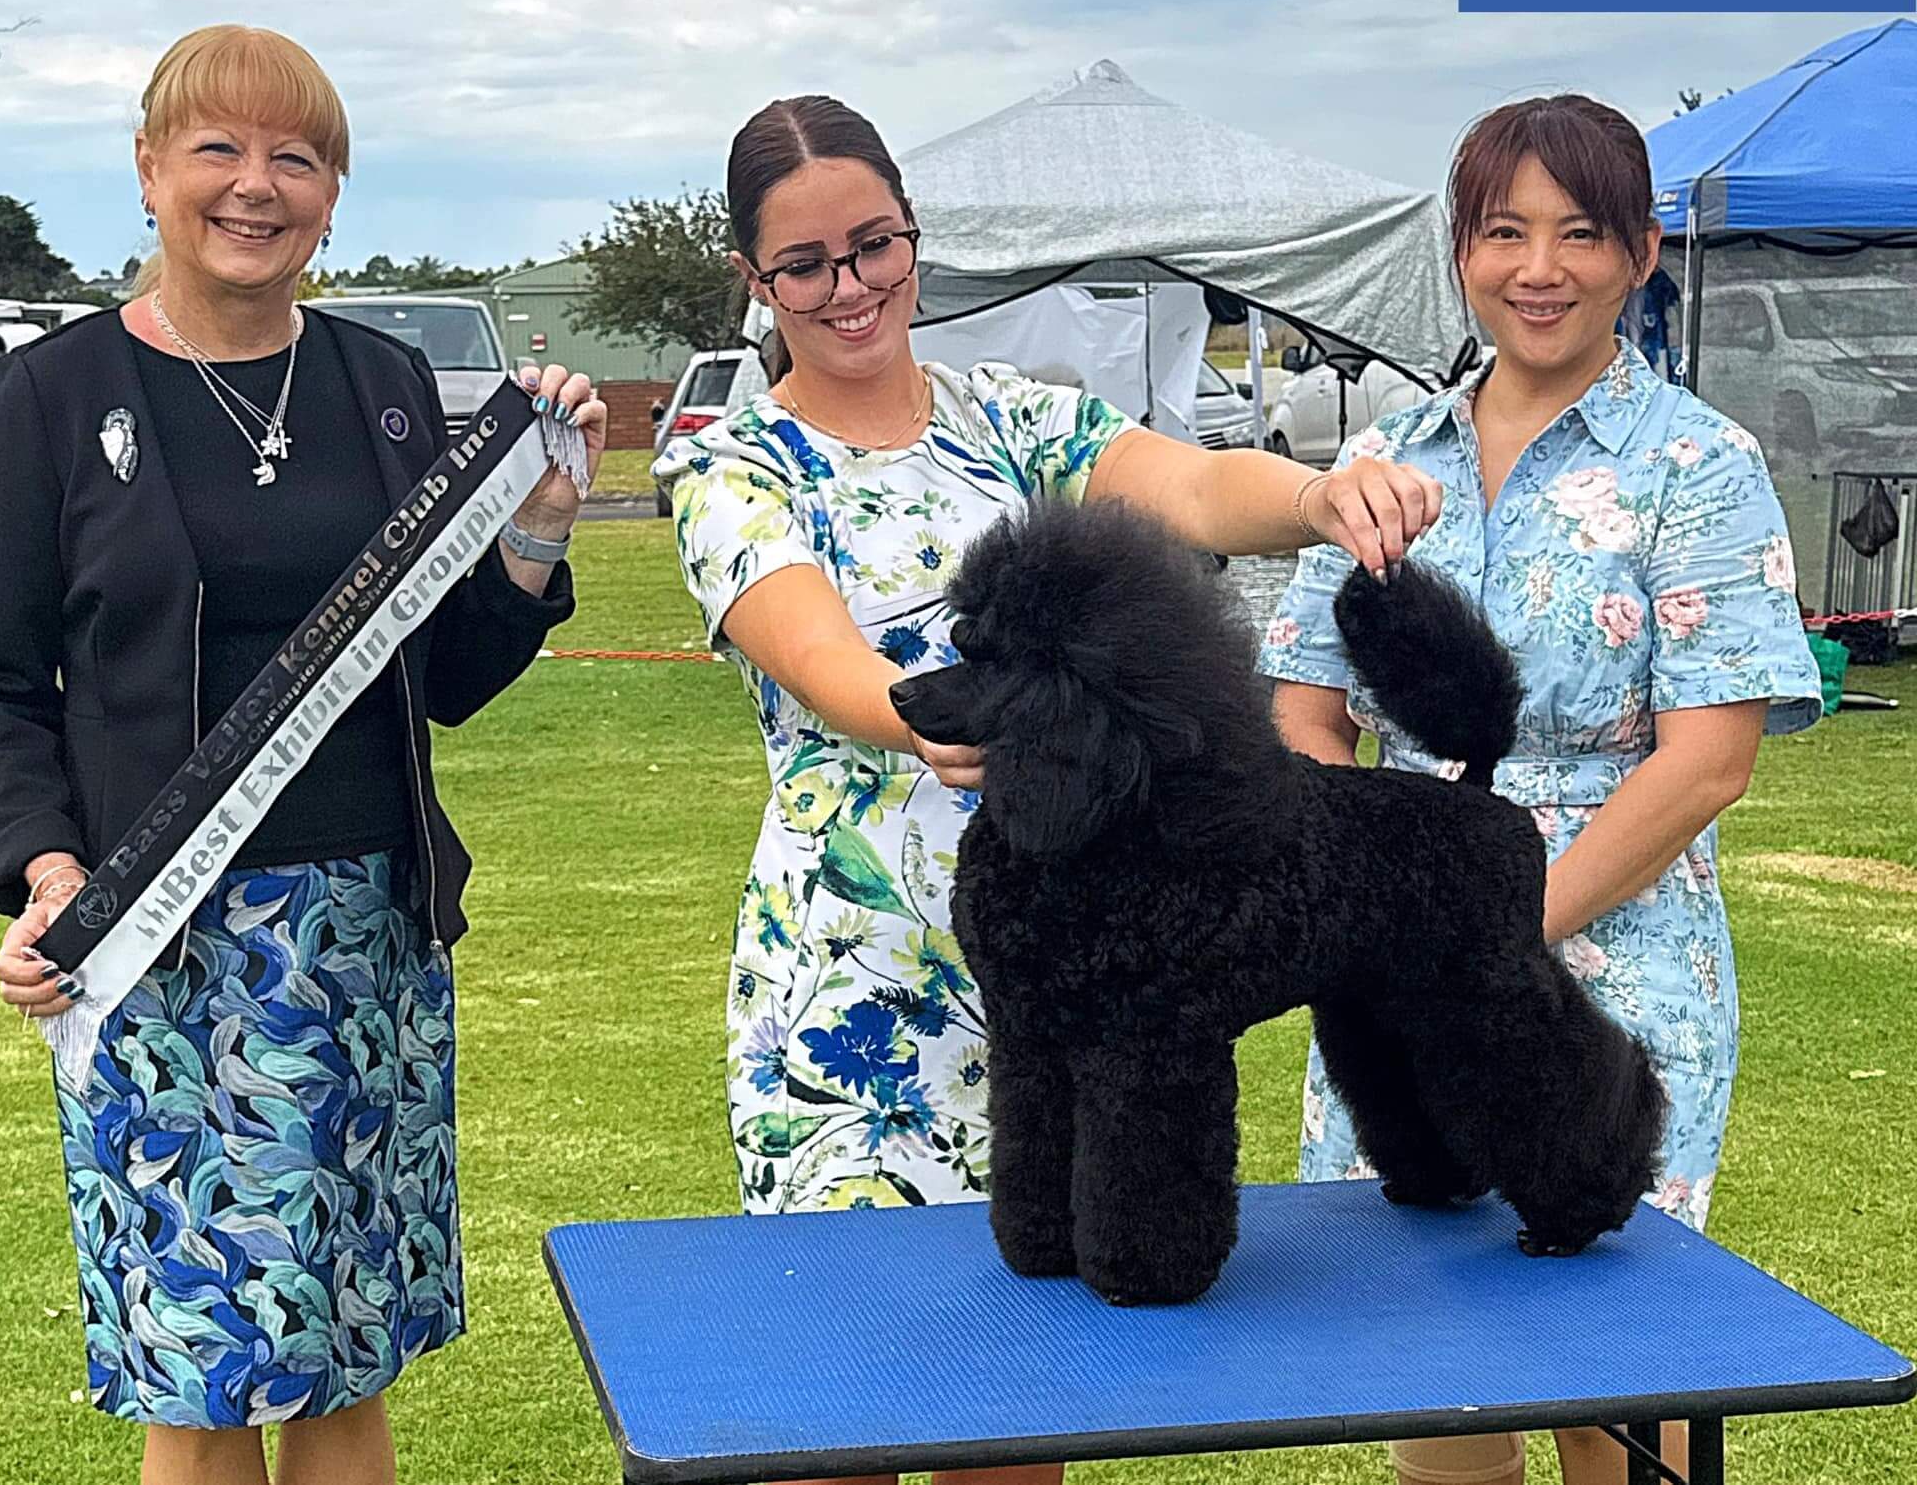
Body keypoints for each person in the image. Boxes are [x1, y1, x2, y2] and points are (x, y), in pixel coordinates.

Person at [654, 93, 1445, 1485]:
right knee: (833, 1435)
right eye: (806, 264)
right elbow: (819, 649)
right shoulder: (727, 464)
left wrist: (1316, 497)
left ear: (912, 234)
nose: (850, 288)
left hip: (1071, 982)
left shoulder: (1013, 421)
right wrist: (930, 721)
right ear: (755, 279)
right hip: (855, 995)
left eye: (875, 244)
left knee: (1021, 1431)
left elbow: (1194, 489)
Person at [0, 24, 607, 1485]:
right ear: (148, 169)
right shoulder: (55, 397)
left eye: (295, 156)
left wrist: (539, 533)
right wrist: (49, 872)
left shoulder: (379, 383)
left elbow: (444, 682)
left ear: (334, 191)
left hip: (364, 941)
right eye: (218, 149)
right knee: (197, 1378)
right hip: (157, 951)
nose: (256, 185)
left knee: (342, 1370)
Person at [1258, 94, 1820, 1485]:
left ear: (1639, 251)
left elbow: (1709, 758)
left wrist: (1495, 934)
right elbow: (1303, 710)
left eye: (1580, 232)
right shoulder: (1385, 458)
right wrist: (1387, 904)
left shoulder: (1702, 465)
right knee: (1430, 1360)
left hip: (1615, 960)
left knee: (1613, 1373)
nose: (1539, 267)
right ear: (1462, 250)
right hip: (1389, 960)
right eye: (1504, 230)